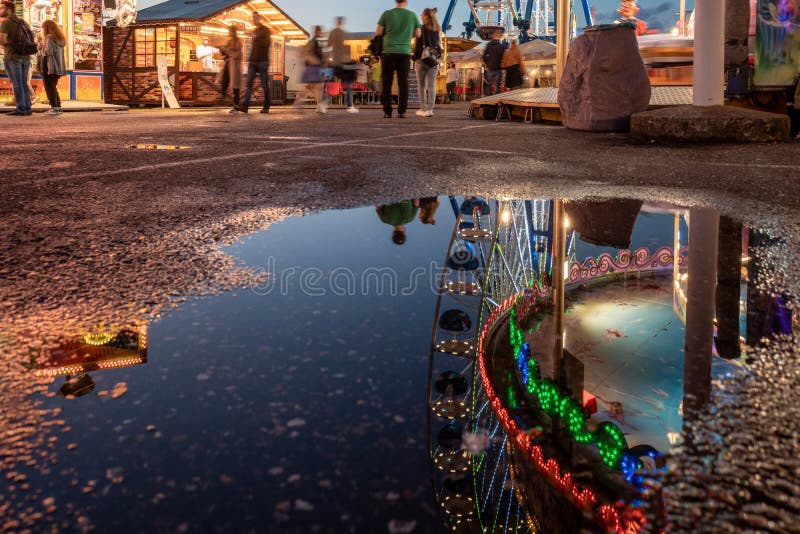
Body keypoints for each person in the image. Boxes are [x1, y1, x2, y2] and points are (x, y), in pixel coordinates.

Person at [376, 0, 421, 119]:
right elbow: (418, 33)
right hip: (404, 52)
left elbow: (378, 31)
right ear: (406, 1)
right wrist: (407, 34)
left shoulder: (387, 14)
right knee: (403, 82)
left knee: (387, 82)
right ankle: (402, 111)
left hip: (388, 52)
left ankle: (387, 111)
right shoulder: (412, 15)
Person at [0, 0, 33, 116]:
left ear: (9, 10)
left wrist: (8, 44)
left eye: (2, 8)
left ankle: (21, 108)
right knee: (23, 83)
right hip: (26, 56)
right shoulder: (23, 22)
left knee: (16, 83)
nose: (0, 10)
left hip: (12, 56)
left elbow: (2, 40)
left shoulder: (6, 22)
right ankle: (27, 108)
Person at [240, 11, 271, 114]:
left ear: (259, 18)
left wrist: (255, 37)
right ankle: (245, 107)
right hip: (252, 61)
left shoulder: (265, 30)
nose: (253, 19)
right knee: (248, 84)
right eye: (252, 18)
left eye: (255, 17)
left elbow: (266, 44)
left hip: (263, 61)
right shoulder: (255, 31)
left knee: (264, 84)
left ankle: (266, 107)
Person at [413, 7, 441, 118]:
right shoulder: (437, 29)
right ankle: (430, 110)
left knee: (421, 86)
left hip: (421, 60)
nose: (420, 16)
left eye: (422, 14)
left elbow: (418, 46)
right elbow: (439, 46)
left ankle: (423, 109)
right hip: (433, 60)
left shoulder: (421, 28)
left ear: (425, 16)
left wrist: (414, 58)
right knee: (431, 86)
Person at [328, 16, 358, 113]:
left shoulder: (332, 32)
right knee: (349, 84)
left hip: (335, 62)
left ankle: (322, 104)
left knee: (328, 83)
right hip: (342, 62)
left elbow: (328, 45)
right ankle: (350, 106)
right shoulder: (342, 33)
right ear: (341, 22)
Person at [298, 25, 328, 114]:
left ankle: (301, 101)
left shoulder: (317, 42)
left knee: (315, 87)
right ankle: (317, 105)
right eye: (320, 31)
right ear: (317, 32)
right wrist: (318, 62)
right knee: (315, 87)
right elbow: (307, 55)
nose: (321, 33)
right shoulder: (313, 42)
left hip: (315, 67)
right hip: (313, 67)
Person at [40, 19, 66, 115]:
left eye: (43, 28)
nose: (42, 30)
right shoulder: (60, 39)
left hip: (49, 65)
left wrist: (41, 48)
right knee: (53, 86)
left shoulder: (49, 37)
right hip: (58, 66)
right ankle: (58, 106)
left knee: (49, 86)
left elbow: (48, 52)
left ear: (46, 28)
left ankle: (54, 107)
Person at [219, 25, 242, 113]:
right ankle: (223, 95)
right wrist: (223, 50)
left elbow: (235, 53)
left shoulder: (237, 42)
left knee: (235, 86)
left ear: (233, 32)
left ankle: (236, 105)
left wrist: (227, 49)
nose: (228, 32)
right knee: (225, 80)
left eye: (229, 31)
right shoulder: (230, 41)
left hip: (234, 66)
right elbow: (226, 52)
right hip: (229, 64)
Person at [482, 30, 504, 96]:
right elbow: (503, 58)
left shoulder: (489, 45)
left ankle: (488, 98)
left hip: (490, 67)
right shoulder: (501, 46)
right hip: (497, 68)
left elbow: (484, 56)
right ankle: (495, 98)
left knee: (489, 84)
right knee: (497, 85)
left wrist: (487, 63)